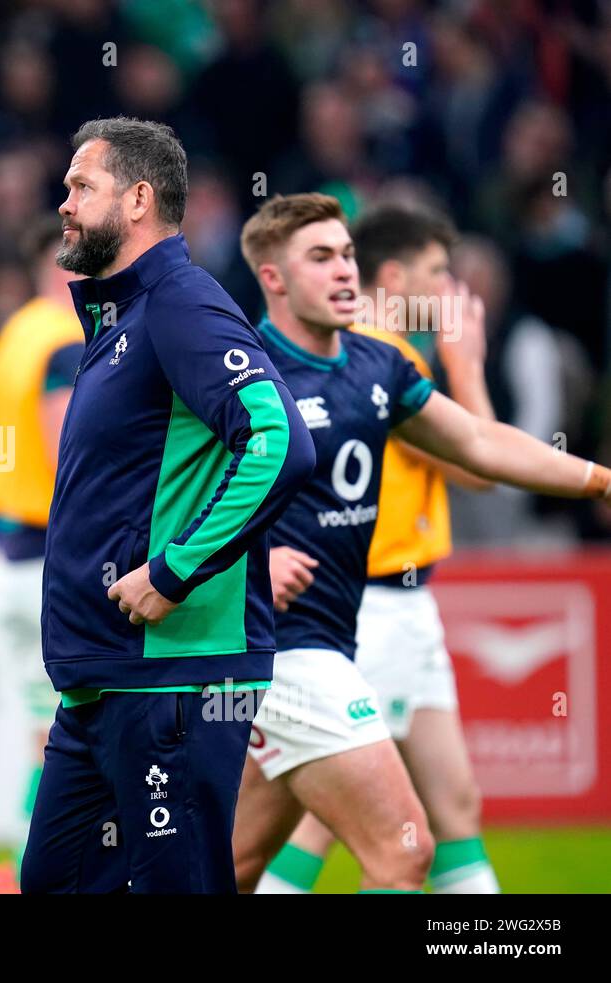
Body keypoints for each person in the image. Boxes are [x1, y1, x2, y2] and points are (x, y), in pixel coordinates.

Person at [230, 193, 611, 892]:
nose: (344, 270)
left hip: (343, 626)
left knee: (238, 860)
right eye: (321, 257)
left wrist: (597, 480)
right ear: (273, 278)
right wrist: (248, 564)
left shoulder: (380, 364)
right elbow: (156, 496)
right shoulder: (237, 374)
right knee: (402, 847)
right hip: (285, 642)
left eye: (347, 254)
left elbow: (478, 444)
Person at [20, 117, 316, 895]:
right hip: (105, 677)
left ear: (138, 199)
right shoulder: (119, 318)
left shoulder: (180, 302)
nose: (64, 203)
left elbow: (280, 441)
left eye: (81, 186)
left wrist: (173, 569)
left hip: (175, 680)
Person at [258, 203, 502, 894]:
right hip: (371, 605)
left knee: (452, 808)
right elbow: (479, 467)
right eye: (437, 271)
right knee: (339, 827)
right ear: (393, 276)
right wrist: (466, 364)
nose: (450, 289)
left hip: (404, 605)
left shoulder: (373, 350)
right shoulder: (373, 357)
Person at [0, 217, 83, 892]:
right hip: (50, 563)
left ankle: (19, 869)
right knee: (71, 733)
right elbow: (69, 456)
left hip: (9, 556)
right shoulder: (66, 341)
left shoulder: (16, 334)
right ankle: (22, 874)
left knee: (48, 729)